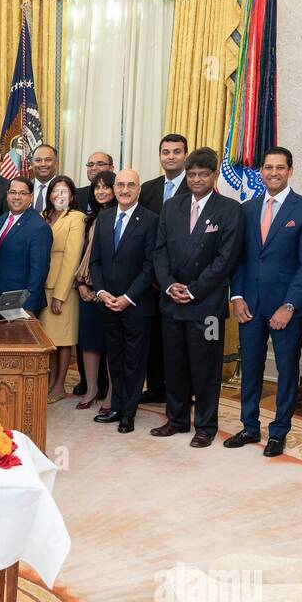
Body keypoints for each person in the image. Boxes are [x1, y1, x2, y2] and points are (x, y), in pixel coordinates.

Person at [225, 147, 302, 457]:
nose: (273, 173)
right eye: (268, 167)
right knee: (251, 368)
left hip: (286, 309)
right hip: (250, 305)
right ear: (261, 171)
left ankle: (279, 431)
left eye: (280, 167)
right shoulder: (247, 209)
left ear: (290, 171)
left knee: (286, 371)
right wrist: (237, 296)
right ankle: (250, 427)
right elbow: (238, 258)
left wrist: (290, 305)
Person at [150, 147, 242, 448]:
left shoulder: (229, 209)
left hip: (209, 307)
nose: (197, 179)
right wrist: (169, 286)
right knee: (174, 365)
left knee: (205, 367)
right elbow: (159, 251)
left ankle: (205, 425)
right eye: (192, 174)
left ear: (214, 175)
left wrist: (193, 290)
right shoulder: (171, 207)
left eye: (203, 174)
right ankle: (176, 419)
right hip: (172, 302)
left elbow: (225, 259)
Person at [88, 168, 159, 433]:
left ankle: (129, 412)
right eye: (120, 185)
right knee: (115, 359)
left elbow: (151, 266)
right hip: (107, 303)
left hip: (137, 305)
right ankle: (116, 406)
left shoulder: (151, 220)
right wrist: (102, 292)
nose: (124, 190)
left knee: (134, 362)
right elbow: (95, 260)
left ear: (139, 189)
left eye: (130, 185)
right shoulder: (104, 219)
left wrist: (128, 297)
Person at [138, 133, 189, 404]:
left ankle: (179, 392)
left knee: (178, 342)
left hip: (180, 278)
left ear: (185, 156)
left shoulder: (195, 189)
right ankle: (155, 387)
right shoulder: (148, 189)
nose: (170, 156)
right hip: (150, 278)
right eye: (166, 152)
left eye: (176, 152)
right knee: (153, 337)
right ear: (160, 156)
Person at [72, 169, 115, 410]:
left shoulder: (118, 216)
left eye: (106, 187)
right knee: (89, 342)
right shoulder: (88, 219)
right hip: (86, 287)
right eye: (97, 187)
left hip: (109, 290)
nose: (101, 191)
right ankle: (91, 389)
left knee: (110, 344)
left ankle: (110, 395)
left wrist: (101, 289)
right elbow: (80, 256)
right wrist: (80, 285)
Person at [39, 175, 85, 402]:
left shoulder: (76, 217)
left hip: (62, 287)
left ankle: (59, 386)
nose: (59, 195)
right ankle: (48, 382)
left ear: (72, 196)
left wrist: (60, 295)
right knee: (49, 339)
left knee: (63, 339)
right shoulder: (44, 216)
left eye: (64, 191)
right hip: (43, 284)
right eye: (55, 191)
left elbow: (72, 257)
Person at [0, 178, 52, 315]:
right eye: (13, 192)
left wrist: (28, 305)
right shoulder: (2, 219)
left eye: (23, 193)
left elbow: (39, 271)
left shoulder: (39, 227)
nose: (17, 197)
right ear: (7, 195)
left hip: (21, 304)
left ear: (31, 197)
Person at [73, 150, 114, 215]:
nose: (94, 168)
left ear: (111, 168)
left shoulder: (120, 193)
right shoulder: (76, 195)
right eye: (90, 165)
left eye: (100, 164)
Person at [30, 143, 59, 214]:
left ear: (56, 163)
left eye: (48, 160)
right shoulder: (25, 187)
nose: (43, 164)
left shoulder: (65, 190)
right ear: (32, 164)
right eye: (38, 160)